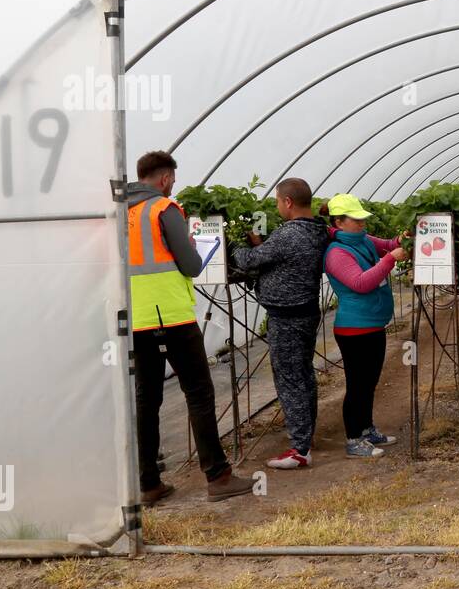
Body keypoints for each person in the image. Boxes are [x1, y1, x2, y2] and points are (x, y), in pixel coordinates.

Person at [126, 151, 254, 504]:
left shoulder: (120, 214)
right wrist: (195, 251)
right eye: (173, 180)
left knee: (146, 397)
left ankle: (148, 483)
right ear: (165, 178)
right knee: (198, 391)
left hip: (136, 319)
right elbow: (192, 265)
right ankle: (218, 476)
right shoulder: (163, 209)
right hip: (172, 317)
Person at [230, 178, 333, 469]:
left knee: (289, 379)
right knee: (303, 374)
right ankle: (306, 435)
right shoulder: (317, 230)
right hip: (306, 311)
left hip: (286, 317)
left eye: (277, 201)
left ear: (288, 202)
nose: (276, 206)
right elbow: (274, 257)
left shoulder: (289, 235)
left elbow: (250, 260)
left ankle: (299, 449)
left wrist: (235, 242)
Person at [322, 193, 410, 458]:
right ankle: (352, 439)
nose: (362, 223)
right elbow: (360, 283)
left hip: (374, 324)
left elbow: (388, 244)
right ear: (339, 221)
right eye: (356, 219)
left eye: (362, 218)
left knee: (369, 381)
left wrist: (404, 239)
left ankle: (367, 428)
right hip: (354, 329)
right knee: (357, 384)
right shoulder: (336, 253)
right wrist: (390, 259)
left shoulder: (362, 239)